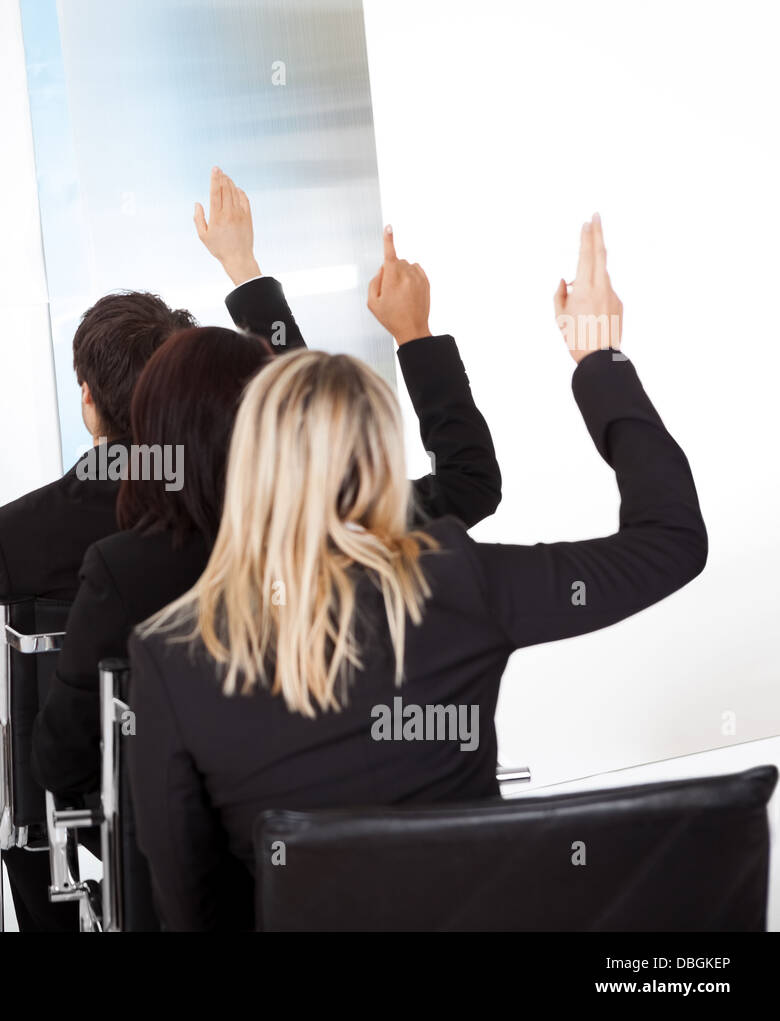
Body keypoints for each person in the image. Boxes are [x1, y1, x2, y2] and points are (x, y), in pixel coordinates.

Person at [127, 215, 709, 931]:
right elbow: (671, 542)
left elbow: (190, 905)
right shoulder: (456, 581)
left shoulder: (172, 655)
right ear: (377, 456)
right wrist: (600, 360)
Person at [32, 213, 503, 803]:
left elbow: (60, 764)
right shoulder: (335, 519)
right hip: (372, 822)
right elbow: (467, 483)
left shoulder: (116, 565)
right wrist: (413, 334)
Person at [0, 167, 310, 931]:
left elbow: (24, 705)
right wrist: (244, 267)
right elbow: (308, 412)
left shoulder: (15, 531)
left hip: (101, 804)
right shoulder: (254, 510)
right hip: (265, 795)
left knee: (6, 754)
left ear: (87, 401)